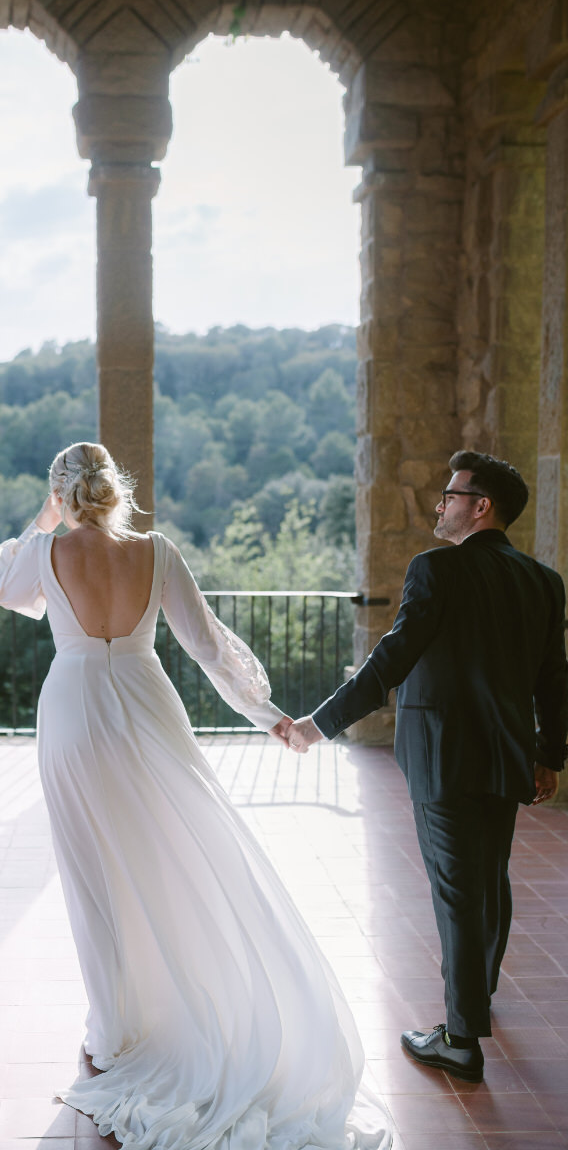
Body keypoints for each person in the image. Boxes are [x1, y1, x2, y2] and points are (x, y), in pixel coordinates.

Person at [0, 441, 391, 1150]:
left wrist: (43, 519)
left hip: (76, 712)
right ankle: (172, 1004)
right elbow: (207, 647)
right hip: (146, 705)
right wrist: (270, 716)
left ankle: (114, 1031)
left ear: (61, 493)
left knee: (94, 877)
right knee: (171, 856)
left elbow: (4, 595)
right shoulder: (157, 551)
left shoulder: (45, 552)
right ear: (116, 488)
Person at [288, 450, 568, 1084]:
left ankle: (461, 1038)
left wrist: (318, 725)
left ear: (481, 506)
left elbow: (391, 660)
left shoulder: (436, 569)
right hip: (509, 755)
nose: (441, 504)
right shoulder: (543, 581)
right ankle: (477, 998)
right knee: (489, 883)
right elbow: (556, 680)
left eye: (452, 493)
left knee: (460, 893)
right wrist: (550, 754)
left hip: (446, 758)